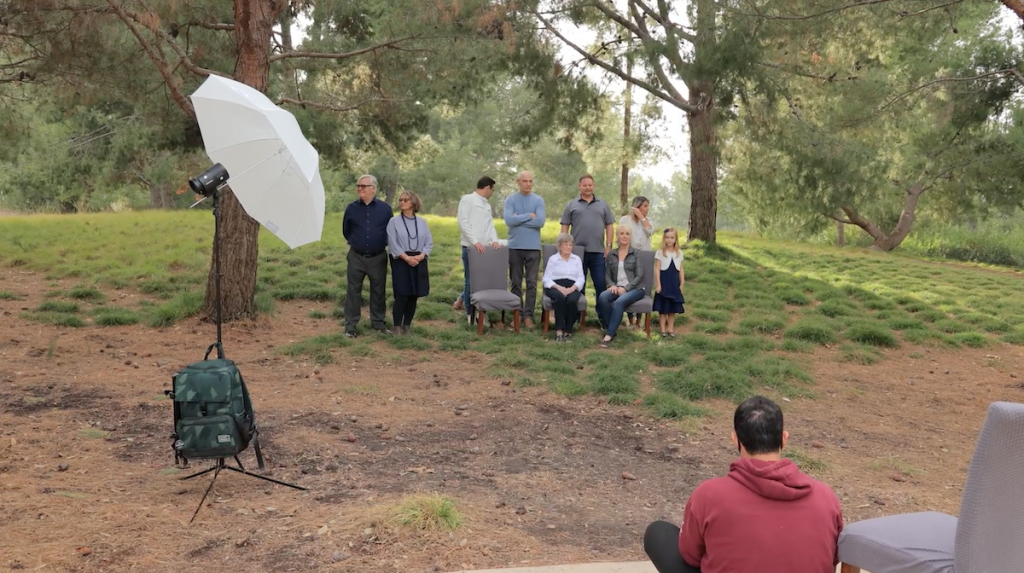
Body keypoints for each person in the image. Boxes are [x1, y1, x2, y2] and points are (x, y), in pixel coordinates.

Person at [643, 396, 844, 573]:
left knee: (658, 533)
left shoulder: (709, 495)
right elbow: (833, 558)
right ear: (784, 438)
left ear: (735, 439)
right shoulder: (826, 497)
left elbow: (691, 555)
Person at [342, 174, 393, 337]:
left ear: (373, 189)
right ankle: (350, 327)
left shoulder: (385, 209)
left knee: (378, 290)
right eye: (358, 186)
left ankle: (378, 323)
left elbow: (390, 231)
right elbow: (346, 230)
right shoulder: (351, 208)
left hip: (378, 257)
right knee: (353, 291)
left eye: (363, 186)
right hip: (356, 256)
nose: (359, 189)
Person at [386, 190, 433, 335]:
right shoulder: (393, 222)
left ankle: (407, 325)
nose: (402, 202)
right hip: (401, 260)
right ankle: (396, 325)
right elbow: (392, 243)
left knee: (414, 294)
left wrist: (420, 256)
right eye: (400, 200)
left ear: (413, 202)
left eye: (405, 200)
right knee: (402, 294)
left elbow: (429, 242)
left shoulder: (422, 222)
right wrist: (407, 258)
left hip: (419, 260)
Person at [559, 174, 614, 296]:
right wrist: (564, 246)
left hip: (598, 252)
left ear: (594, 186)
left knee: (601, 284)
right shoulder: (571, 204)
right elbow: (565, 225)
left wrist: (609, 246)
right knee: (578, 285)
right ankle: (579, 308)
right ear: (579, 186)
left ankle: (601, 309)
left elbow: (609, 225)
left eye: (590, 185)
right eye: (585, 185)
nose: (588, 187)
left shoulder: (603, 204)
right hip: (576, 252)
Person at [457, 176, 501, 324]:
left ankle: (481, 312)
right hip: (470, 247)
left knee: (483, 281)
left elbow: (490, 225)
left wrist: (494, 240)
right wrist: (475, 242)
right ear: (487, 187)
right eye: (492, 190)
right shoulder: (468, 200)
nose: (492, 193)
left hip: (484, 248)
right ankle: (470, 313)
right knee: (470, 281)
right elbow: (463, 222)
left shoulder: (487, 205)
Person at [504, 170, 545, 329]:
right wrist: (528, 215)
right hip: (515, 247)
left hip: (533, 248)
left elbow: (540, 222)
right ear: (518, 182)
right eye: (525, 181)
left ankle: (528, 315)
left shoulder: (538, 200)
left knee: (531, 283)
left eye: (530, 181)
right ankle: (517, 313)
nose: (528, 184)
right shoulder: (511, 199)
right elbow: (509, 220)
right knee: (515, 282)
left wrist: (518, 218)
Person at [596, 226, 645, 348]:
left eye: (627, 234)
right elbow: (607, 274)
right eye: (622, 233)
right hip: (617, 287)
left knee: (619, 302)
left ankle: (609, 335)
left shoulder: (636, 253)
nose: (624, 236)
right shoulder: (612, 254)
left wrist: (626, 288)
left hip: (635, 288)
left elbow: (639, 275)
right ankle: (611, 327)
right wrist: (611, 285)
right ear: (617, 236)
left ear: (630, 236)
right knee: (603, 297)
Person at [541, 232, 585, 343]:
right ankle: (559, 330)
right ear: (559, 246)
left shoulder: (576, 259)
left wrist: (572, 288)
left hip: (572, 286)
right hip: (555, 285)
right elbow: (546, 278)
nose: (568, 247)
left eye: (570, 245)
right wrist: (559, 288)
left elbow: (581, 278)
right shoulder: (553, 259)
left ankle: (568, 330)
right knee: (560, 298)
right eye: (566, 244)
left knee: (572, 300)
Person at [619, 196, 655, 327]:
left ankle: (640, 320)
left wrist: (642, 217)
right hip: (629, 256)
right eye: (645, 206)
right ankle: (630, 318)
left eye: (648, 206)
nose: (647, 208)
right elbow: (621, 235)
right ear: (637, 206)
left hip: (645, 256)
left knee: (643, 286)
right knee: (629, 285)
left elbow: (649, 232)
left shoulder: (648, 221)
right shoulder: (625, 220)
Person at [653, 227, 685, 337]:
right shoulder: (660, 252)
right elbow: (657, 269)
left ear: (676, 239)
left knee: (672, 308)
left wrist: (682, 283)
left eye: (672, 238)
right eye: (667, 237)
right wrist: (658, 284)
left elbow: (681, 269)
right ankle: (662, 329)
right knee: (663, 308)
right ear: (664, 239)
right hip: (664, 282)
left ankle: (670, 329)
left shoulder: (679, 253)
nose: (669, 240)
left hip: (674, 283)